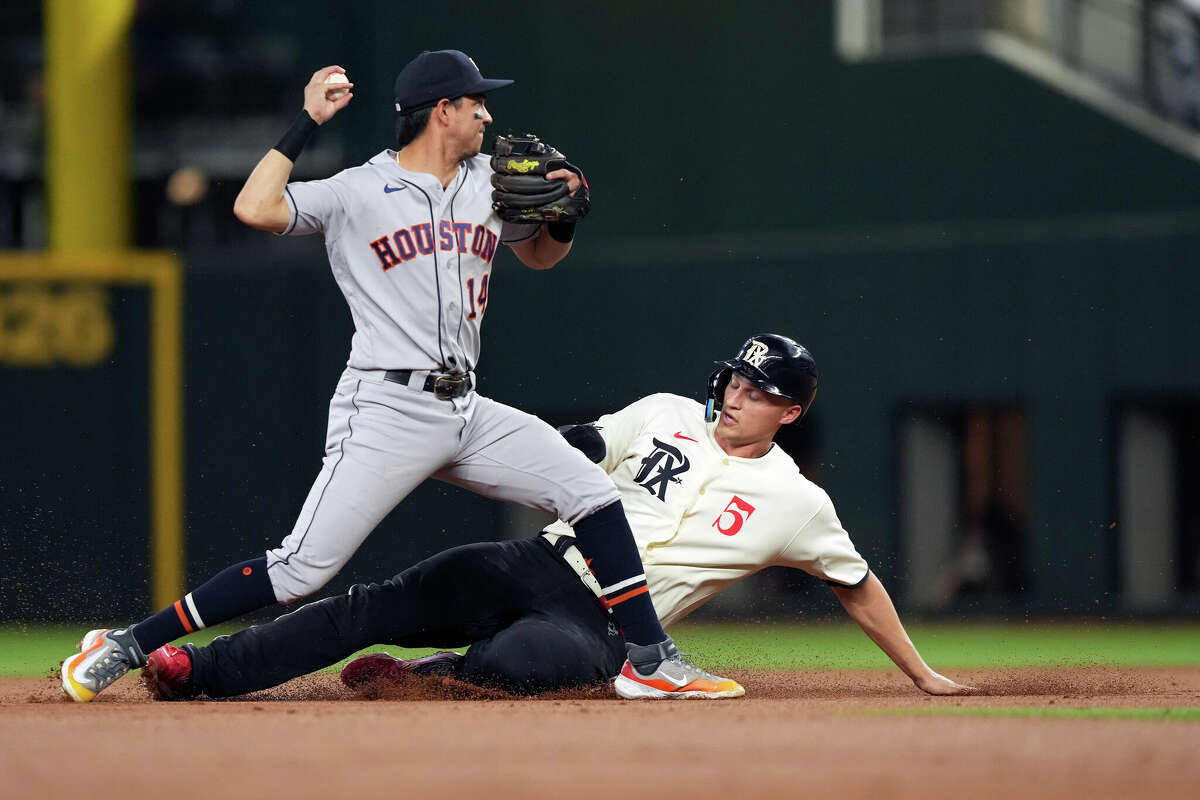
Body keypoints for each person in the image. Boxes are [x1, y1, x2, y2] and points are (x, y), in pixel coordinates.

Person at [61, 50, 731, 702]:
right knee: (300, 568)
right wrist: (306, 123)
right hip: (386, 406)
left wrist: (562, 211)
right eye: (477, 105)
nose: (487, 118)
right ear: (443, 110)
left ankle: (650, 661)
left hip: (466, 408)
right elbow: (255, 208)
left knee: (588, 490)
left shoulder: (487, 185)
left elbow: (543, 257)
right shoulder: (357, 191)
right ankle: (125, 643)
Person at [140, 334, 972, 701]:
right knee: (375, 602)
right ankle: (203, 671)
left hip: (610, 625)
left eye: (760, 395)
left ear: (790, 415)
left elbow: (856, 584)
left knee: (531, 660)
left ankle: (429, 678)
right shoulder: (663, 411)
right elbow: (576, 446)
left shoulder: (800, 502)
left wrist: (921, 673)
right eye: (736, 381)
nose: (737, 398)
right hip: (538, 561)